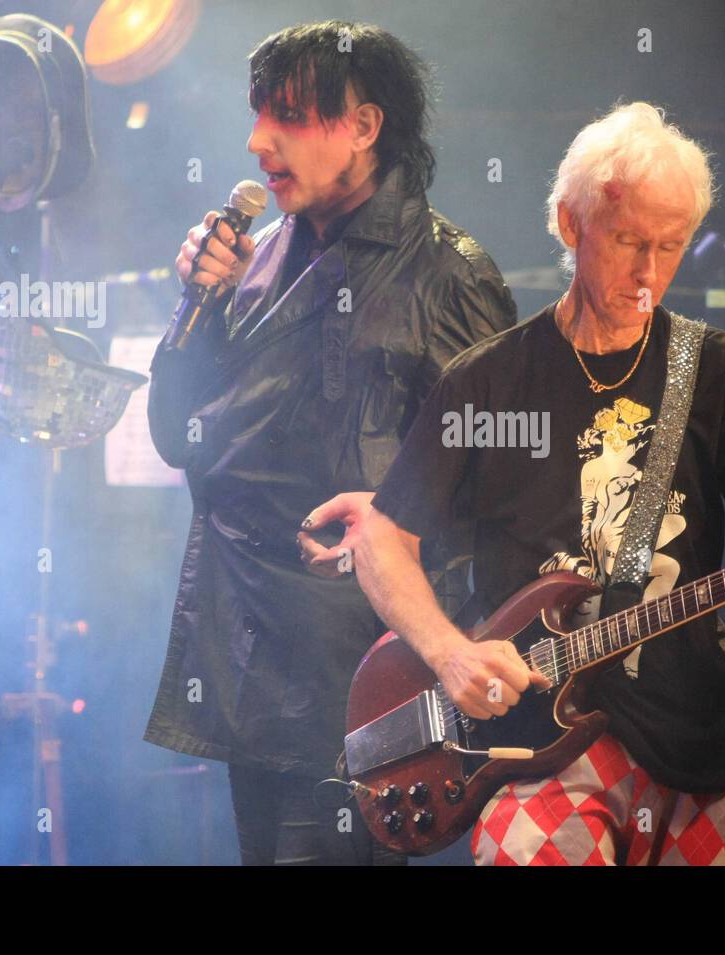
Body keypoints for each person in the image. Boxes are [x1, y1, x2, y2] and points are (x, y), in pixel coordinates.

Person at [302, 102, 725, 866]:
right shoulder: (488, 380)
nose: (647, 274)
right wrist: (450, 653)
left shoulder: (720, 370)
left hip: (695, 733)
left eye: (670, 247)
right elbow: (383, 538)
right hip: (539, 736)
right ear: (571, 225)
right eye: (629, 240)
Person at [143, 20, 518, 866]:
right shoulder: (260, 256)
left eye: (289, 116)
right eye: (256, 114)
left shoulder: (449, 275)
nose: (256, 141)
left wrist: (429, 622)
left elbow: (500, 491)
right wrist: (193, 312)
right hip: (246, 657)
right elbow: (178, 437)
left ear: (363, 125)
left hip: (360, 678)